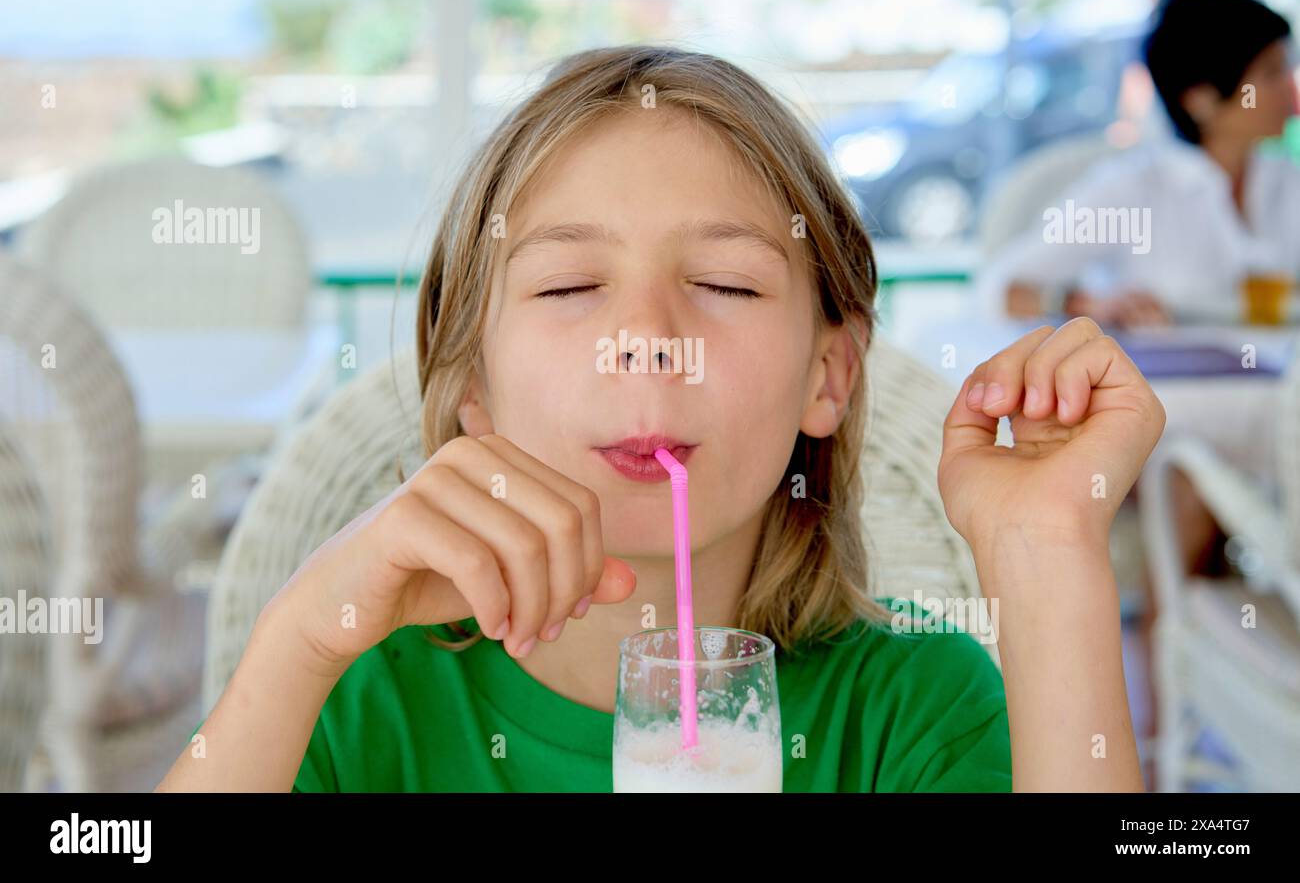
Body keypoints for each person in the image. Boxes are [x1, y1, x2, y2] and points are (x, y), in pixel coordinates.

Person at [157, 45, 1164, 792]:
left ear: (828, 374)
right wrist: (297, 638)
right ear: (474, 389)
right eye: (567, 288)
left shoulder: (909, 716)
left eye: (723, 284)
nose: (645, 337)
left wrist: (1045, 556)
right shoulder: (358, 709)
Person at [977, 0, 1299, 327]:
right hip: (1166, 379)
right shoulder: (1132, 188)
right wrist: (1083, 305)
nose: (1291, 90)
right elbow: (999, 288)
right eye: (1271, 74)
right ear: (1199, 98)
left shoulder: (1287, 179)